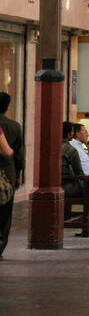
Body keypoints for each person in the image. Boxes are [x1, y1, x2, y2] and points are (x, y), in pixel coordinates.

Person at [0, 91, 24, 260]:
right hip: (6, 175)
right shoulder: (14, 126)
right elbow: (14, 154)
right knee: (5, 212)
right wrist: (17, 176)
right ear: (7, 107)